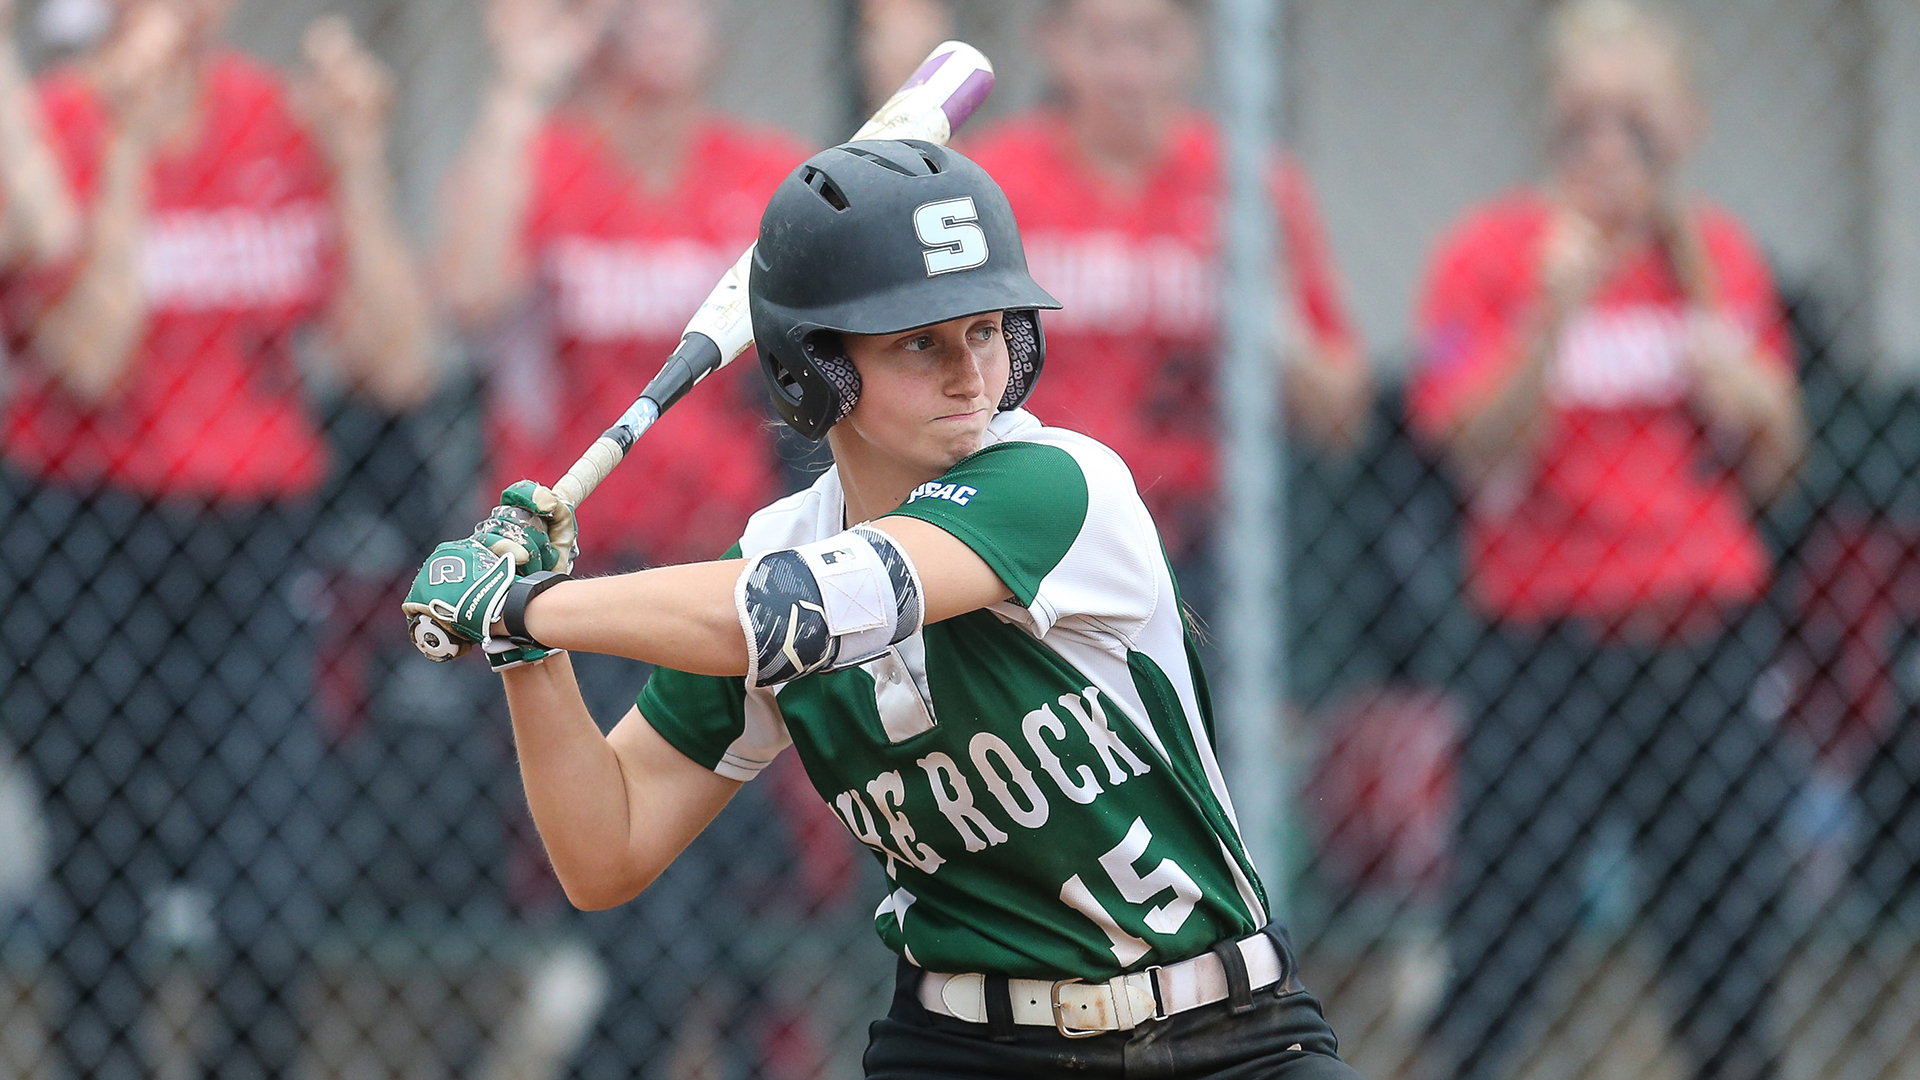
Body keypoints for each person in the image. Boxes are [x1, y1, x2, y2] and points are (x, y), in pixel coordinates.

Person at [404, 137, 1364, 1080]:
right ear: (816, 367)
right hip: (958, 1045)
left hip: (1218, 1036)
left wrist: (530, 602)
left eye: (986, 329)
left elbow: (802, 609)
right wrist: (524, 647)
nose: (969, 375)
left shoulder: (1062, 485)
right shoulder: (774, 553)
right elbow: (602, 852)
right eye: (918, 343)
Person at [0, 0, 431, 1074]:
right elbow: (90, 361)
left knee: (272, 870)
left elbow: (398, 363)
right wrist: (131, 156)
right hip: (85, 530)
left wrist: (359, 166)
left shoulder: (278, 117)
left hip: (253, 535)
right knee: (105, 871)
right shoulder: (52, 119)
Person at [1406, 3, 1805, 1079]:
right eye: (1586, 120)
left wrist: (1756, 392)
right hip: (1545, 637)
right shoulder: (1490, 254)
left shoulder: (1714, 254)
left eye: (1638, 121)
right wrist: (1550, 320)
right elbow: (1468, 442)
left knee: (1725, 929)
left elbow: (1778, 465)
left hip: (1699, 632)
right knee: (1504, 925)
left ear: (1686, 124)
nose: (1611, 147)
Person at [434, 0, 811, 1072]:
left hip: (734, 576)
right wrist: (516, 89)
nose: (666, 17)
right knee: (645, 924)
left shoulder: (760, 174)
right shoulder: (543, 159)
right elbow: (467, 295)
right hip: (582, 589)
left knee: (743, 914)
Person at [964, 0, 1366, 625]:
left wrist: (1272, 321)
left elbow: (1342, 412)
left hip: (1205, 538)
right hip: (1022, 518)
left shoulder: (1247, 182)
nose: (1127, 70)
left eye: (1150, 42)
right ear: (1053, 44)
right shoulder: (992, 181)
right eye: (1100, 43)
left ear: (1195, 46)